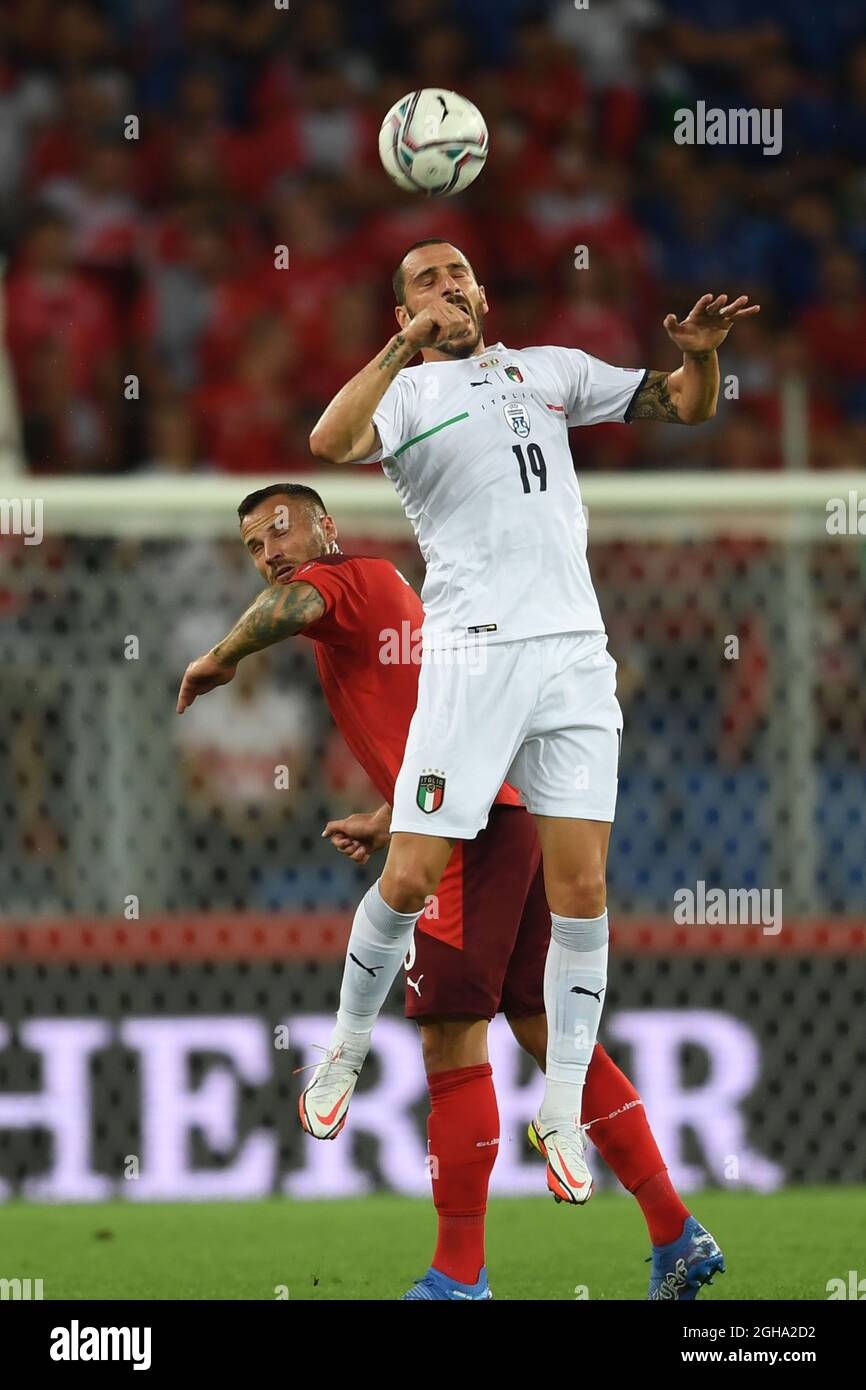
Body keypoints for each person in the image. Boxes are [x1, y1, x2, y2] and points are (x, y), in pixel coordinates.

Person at [177, 484, 726, 1302]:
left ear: (325, 526)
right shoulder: (382, 601)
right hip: (497, 815)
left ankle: (458, 1279)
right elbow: (446, 729)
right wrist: (392, 813)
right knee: (542, 1028)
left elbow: (288, 603)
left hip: (469, 841)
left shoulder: (345, 583)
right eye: (254, 548)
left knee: (449, 1040)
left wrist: (223, 653)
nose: (271, 555)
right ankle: (675, 1231)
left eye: (280, 533)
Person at [303, 237, 759, 1206]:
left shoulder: (547, 371)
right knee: (412, 871)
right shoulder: (407, 396)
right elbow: (327, 444)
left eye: (458, 274)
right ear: (402, 315)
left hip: (572, 654)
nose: (449, 288)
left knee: (584, 884)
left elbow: (684, 403)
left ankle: (558, 1107)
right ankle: (343, 1046)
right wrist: (404, 349)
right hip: (471, 654)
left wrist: (704, 352)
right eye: (425, 283)